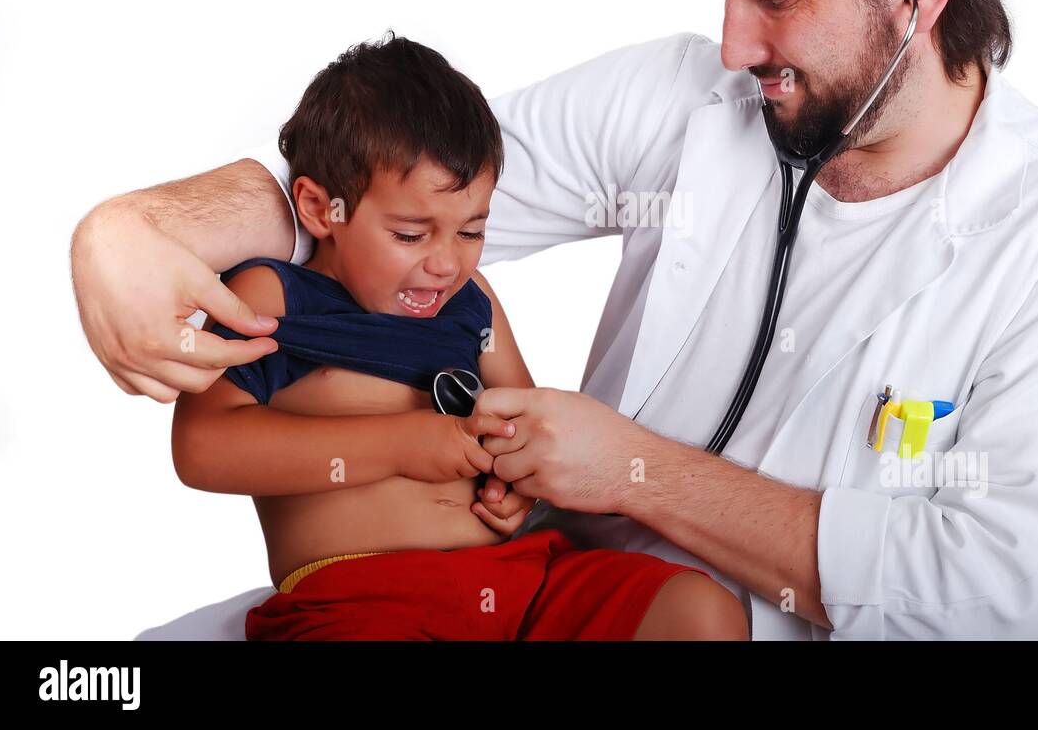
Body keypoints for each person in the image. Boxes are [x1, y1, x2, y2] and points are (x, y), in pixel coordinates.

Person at [71, 0, 1038, 640]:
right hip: (504, 586)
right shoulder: (684, 98)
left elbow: (977, 600)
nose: (736, 48)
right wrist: (130, 229)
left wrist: (634, 469)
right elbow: (385, 199)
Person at [169, 33, 747, 640]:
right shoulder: (276, 299)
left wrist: (513, 488)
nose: (446, 264)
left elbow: (531, 429)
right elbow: (203, 448)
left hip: (522, 585)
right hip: (359, 602)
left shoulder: (472, 305)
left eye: (471, 232)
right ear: (321, 210)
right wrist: (402, 445)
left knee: (697, 610)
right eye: (412, 235)